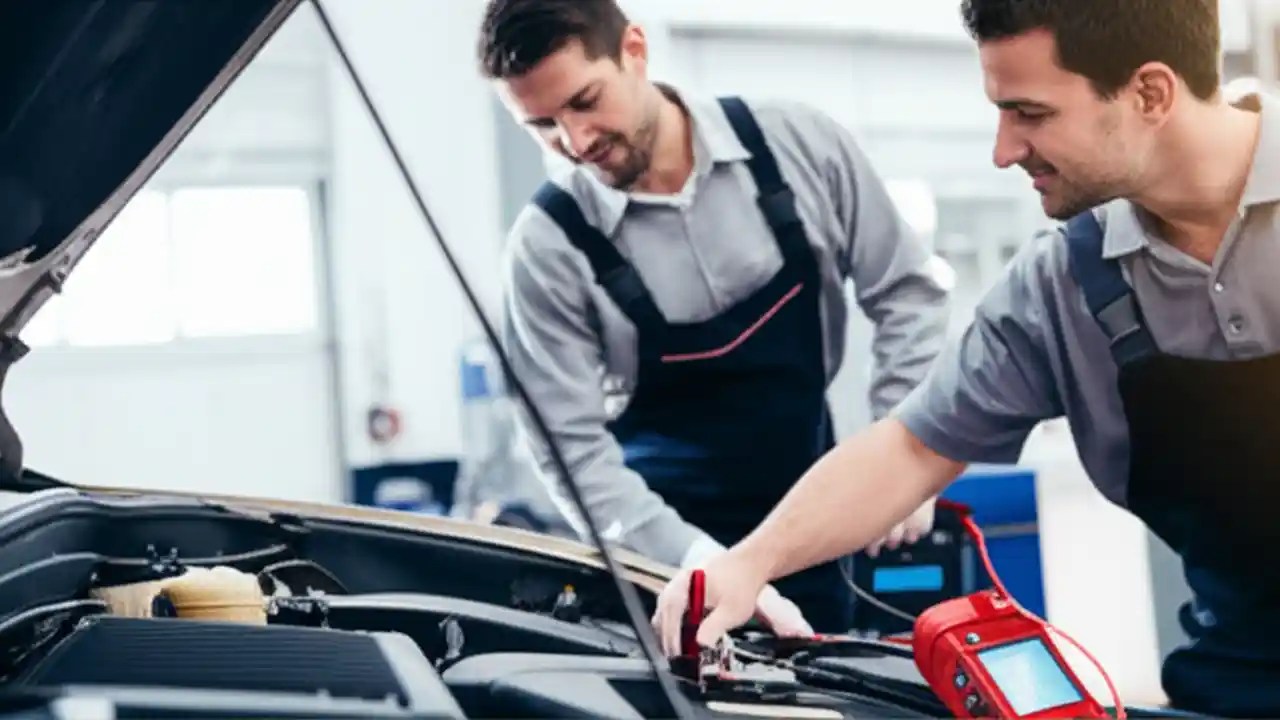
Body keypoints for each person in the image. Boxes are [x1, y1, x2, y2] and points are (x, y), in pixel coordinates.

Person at [651, 0, 1280, 714]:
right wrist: (747, 562)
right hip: (1238, 680)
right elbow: (913, 449)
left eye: (1031, 113)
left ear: (1150, 93)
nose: (1003, 150)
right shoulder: (1065, 283)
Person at [476, 0, 952, 635]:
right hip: (664, 571)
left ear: (634, 51)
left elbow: (909, 291)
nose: (576, 142)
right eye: (543, 126)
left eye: (586, 100)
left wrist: (904, 449)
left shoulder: (798, 146)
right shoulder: (547, 250)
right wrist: (701, 564)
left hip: (820, 531)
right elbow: (571, 455)